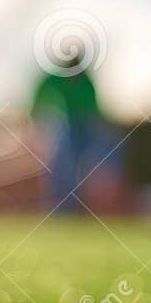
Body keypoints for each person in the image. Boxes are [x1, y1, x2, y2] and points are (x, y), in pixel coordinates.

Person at [31, 52, 103, 213]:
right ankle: (62, 207)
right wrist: (37, 122)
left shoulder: (86, 82)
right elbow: (37, 102)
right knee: (63, 168)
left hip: (87, 130)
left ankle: (86, 208)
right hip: (65, 128)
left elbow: (95, 114)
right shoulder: (55, 79)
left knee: (92, 168)